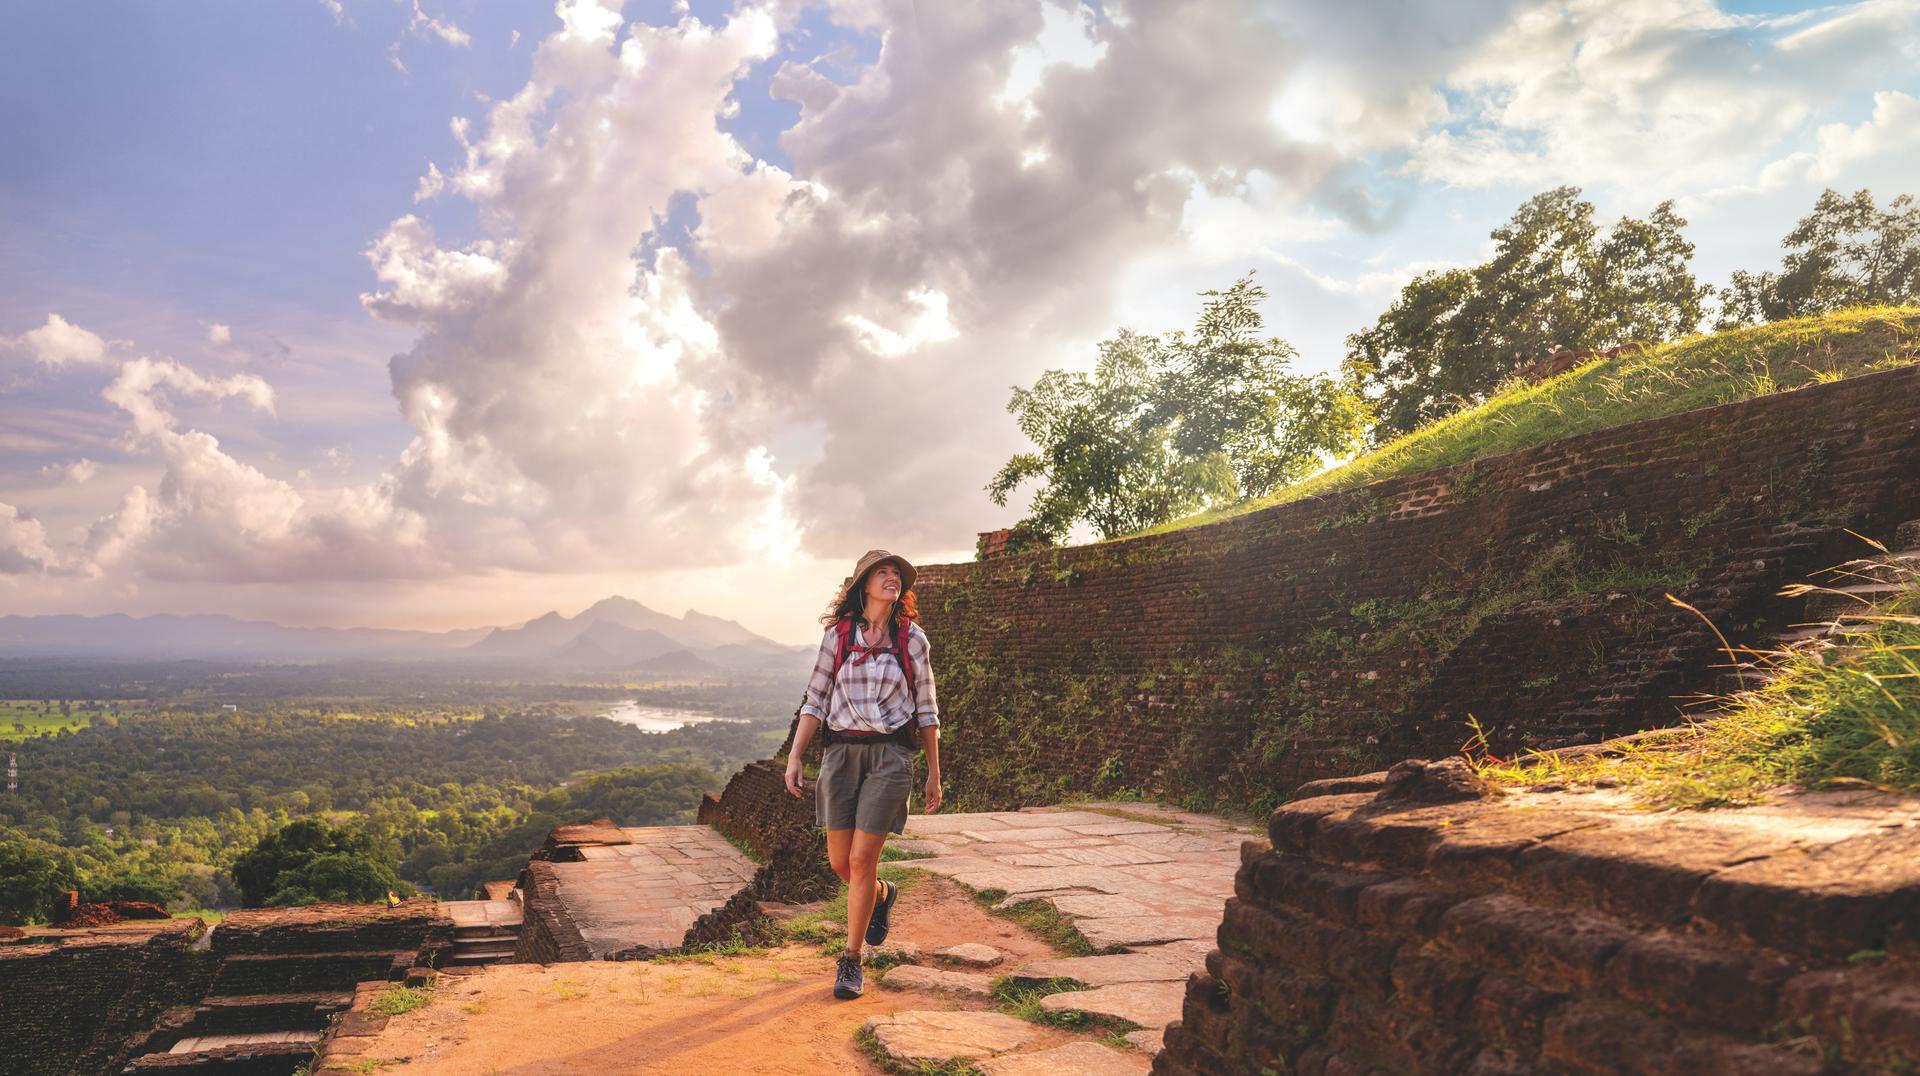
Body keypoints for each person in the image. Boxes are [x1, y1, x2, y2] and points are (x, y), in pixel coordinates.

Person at [785, 549, 942, 1000]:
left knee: (859, 860)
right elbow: (815, 699)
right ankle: (881, 893)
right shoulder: (838, 637)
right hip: (841, 756)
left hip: (890, 758)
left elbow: (927, 711)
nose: (892, 579)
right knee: (841, 862)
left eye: (897, 574)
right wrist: (796, 755)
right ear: (864, 585)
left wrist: (933, 772)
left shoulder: (912, 640)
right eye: (883, 573)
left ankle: (851, 960)